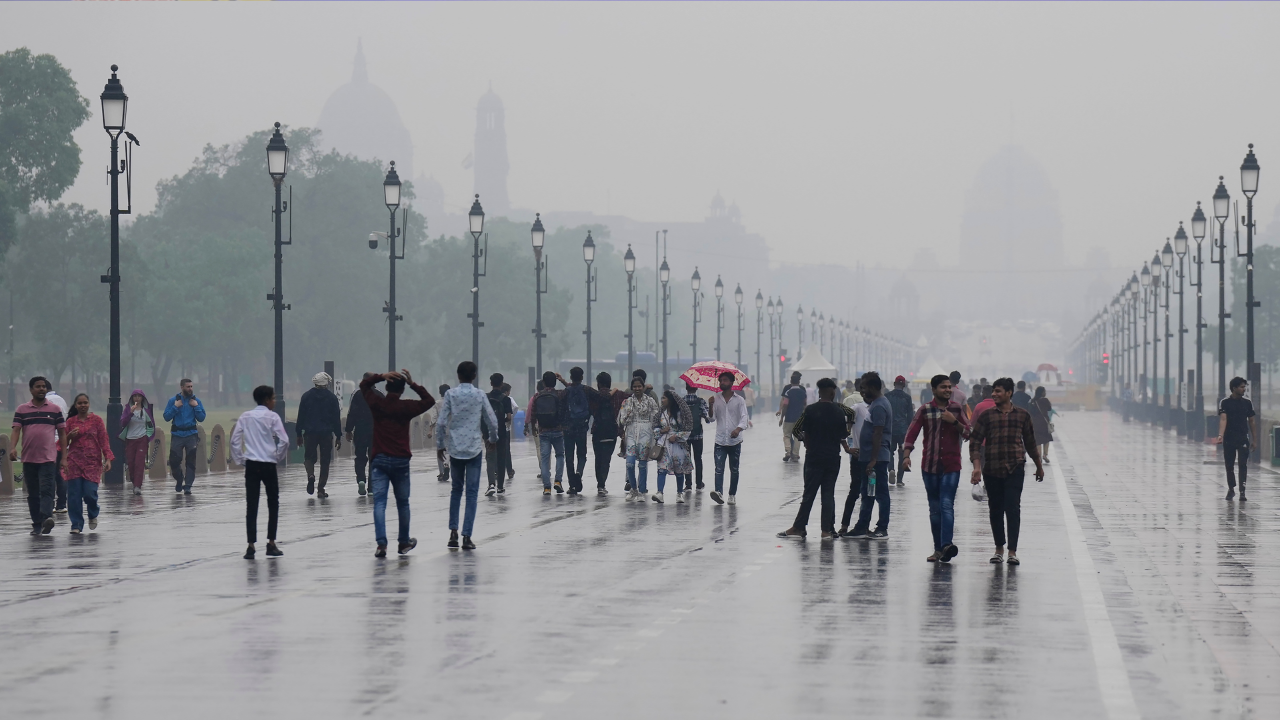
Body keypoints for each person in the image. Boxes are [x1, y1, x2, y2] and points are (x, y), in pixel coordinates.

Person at [969, 377, 1044, 566]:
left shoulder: (1022, 415)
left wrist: (1039, 465)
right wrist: (977, 467)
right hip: (991, 469)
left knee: (1012, 508)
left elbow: (1030, 442)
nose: (994, 394)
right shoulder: (986, 416)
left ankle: (1012, 551)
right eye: (993, 391)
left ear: (1009, 393)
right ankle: (998, 549)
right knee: (995, 509)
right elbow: (975, 442)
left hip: (1015, 467)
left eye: (998, 391)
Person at [362, 369, 435, 557]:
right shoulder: (406, 407)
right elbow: (429, 401)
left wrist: (380, 376)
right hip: (401, 460)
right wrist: (413, 384)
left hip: (379, 459)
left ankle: (381, 544)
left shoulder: (377, 404)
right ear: (402, 390)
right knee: (403, 503)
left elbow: (364, 385)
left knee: (379, 503)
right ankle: (403, 542)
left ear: (386, 387)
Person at [903, 374, 970, 562]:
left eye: (949, 387)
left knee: (946, 504)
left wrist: (954, 421)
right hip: (929, 466)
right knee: (934, 509)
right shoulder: (924, 410)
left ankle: (947, 545)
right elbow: (912, 433)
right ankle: (938, 549)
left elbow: (969, 432)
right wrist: (906, 456)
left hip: (951, 465)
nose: (948, 390)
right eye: (943, 387)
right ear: (933, 390)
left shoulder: (956, 409)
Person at [778, 378, 852, 541]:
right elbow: (843, 434)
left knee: (809, 494)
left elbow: (797, 430)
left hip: (813, 458)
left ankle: (799, 527)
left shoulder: (810, 410)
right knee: (828, 493)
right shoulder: (839, 411)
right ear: (832, 392)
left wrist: (806, 441)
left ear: (819, 392)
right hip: (832, 458)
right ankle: (826, 530)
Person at [436, 362, 498, 549]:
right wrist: (492, 439)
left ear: (458, 375)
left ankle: (453, 532)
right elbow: (491, 420)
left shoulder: (450, 395)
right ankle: (466, 536)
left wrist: (440, 446)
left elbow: (440, 423)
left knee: (456, 491)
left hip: (455, 449)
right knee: (471, 493)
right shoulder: (479, 395)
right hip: (473, 449)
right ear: (474, 376)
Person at [231, 385, 289, 560]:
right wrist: (276, 456)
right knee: (273, 503)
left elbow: (235, 441)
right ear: (267, 400)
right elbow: (284, 440)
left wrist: (241, 460)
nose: (274, 401)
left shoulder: (245, 416)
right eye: (273, 398)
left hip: (252, 463)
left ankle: (250, 545)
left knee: (252, 504)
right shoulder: (272, 417)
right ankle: (271, 543)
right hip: (268, 464)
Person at [13, 376, 68, 535]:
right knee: (33, 493)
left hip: (48, 458)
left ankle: (46, 518)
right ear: (31, 390)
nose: (41, 389)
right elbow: (16, 429)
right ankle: (37, 523)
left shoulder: (54, 410)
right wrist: (12, 448)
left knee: (47, 489)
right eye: (38, 386)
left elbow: (62, 433)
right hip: (29, 458)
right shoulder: (22, 410)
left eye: (43, 386)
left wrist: (64, 457)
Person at [845, 371, 892, 539]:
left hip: (876, 460)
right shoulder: (876, 404)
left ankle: (882, 528)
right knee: (868, 492)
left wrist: (873, 459)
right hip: (869, 459)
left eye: (864, 388)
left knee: (879, 493)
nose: (862, 392)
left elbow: (878, 433)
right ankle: (862, 526)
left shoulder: (879, 406)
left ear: (873, 387)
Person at [63, 394, 113, 535]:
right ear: (76, 405)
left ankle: (92, 513)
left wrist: (108, 458)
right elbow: (61, 443)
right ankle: (76, 524)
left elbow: (104, 440)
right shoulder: (71, 422)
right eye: (80, 403)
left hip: (92, 463)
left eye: (85, 403)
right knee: (74, 495)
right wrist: (69, 437)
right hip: (74, 463)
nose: (83, 405)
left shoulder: (96, 421)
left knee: (90, 493)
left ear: (89, 404)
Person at [295, 372, 342, 498]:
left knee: (309, 457)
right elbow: (336, 419)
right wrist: (338, 435)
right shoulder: (332, 398)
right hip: (326, 434)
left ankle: (310, 475)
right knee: (325, 460)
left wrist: (299, 433)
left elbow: (301, 417)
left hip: (310, 433)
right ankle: (321, 488)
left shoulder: (306, 397)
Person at [707, 370, 750, 505]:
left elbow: (744, 417)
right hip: (720, 440)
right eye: (721, 380)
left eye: (725, 380)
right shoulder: (716, 398)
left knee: (734, 469)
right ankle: (719, 492)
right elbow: (712, 418)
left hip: (734, 441)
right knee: (719, 469)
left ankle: (732, 494)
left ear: (731, 383)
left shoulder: (739, 400)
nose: (722, 382)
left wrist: (738, 429)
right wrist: (711, 405)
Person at [617, 375, 660, 502]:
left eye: (639, 386)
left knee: (642, 464)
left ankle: (642, 491)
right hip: (631, 432)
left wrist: (656, 434)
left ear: (643, 387)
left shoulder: (650, 401)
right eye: (635, 386)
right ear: (632, 388)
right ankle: (633, 489)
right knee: (629, 463)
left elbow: (656, 417)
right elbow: (622, 420)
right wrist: (628, 414)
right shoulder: (627, 402)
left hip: (646, 434)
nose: (637, 389)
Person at [838, 379, 871, 536]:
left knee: (869, 492)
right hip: (859, 456)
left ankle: (863, 525)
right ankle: (845, 525)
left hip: (872, 459)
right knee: (855, 491)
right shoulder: (858, 407)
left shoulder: (878, 408)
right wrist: (846, 445)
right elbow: (841, 419)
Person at [586, 372, 627, 495]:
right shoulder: (618, 395)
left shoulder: (593, 396)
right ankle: (602, 484)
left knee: (598, 459)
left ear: (598, 384)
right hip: (611, 432)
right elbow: (632, 395)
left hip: (598, 431)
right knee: (606, 460)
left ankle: (600, 484)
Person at [163, 379, 206, 495]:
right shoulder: (173, 401)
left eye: (191, 386)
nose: (190, 389)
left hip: (191, 434)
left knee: (191, 462)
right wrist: (175, 407)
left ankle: (188, 485)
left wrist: (196, 407)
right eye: (188, 386)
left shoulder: (196, 401)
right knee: (174, 461)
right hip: (177, 435)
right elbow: (166, 417)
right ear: (181, 387)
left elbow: (202, 417)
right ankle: (179, 479)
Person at [1217, 377, 1257, 501]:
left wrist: (1255, 439)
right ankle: (1231, 488)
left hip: (1243, 437)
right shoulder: (1225, 402)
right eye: (1241, 387)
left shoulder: (1247, 402)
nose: (1243, 389)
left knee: (1243, 464)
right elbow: (1223, 419)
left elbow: (1252, 421)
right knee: (1229, 465)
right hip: (1229, 437)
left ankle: (1242, 491)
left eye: (1244, 387)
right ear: (1234, 388)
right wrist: (1221, 435)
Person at [529, 371, 568, 495]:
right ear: (555, 382)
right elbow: (571, 389)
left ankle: (547, 487)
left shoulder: (537, 396)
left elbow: (533, 414)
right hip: (558, 430)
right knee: (560, 455)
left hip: (543, 431)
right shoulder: (559, 394)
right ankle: (558, 481)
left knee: (545, 459)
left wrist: (533, 427)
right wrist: (563, 380)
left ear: (544, 382)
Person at [653, 389, 694, 503]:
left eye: (664, 398)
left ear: (670, 400)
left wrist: (676, 436)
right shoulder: (661, 414)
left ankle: (679, 493)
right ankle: (660, 493)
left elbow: (686, 429)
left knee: (679, 470)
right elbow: (655, 427)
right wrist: (661, 431)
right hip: (663, 445)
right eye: (662, 398)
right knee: (661, 468)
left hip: (677, 446)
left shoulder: (680, 414)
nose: (662, 400)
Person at [559, 367, 593, 496]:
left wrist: (562, 424)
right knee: (581, 454)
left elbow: (560, 408)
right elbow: (601, 396)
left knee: (569, 456)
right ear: (582, 377)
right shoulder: (586, 390)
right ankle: (579, 472)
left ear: (571, 377)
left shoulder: (565, 392)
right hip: (582, 427)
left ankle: (572, 484)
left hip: (568, 428)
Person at [345, 373, 380, 496]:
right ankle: (371, 487)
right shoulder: (379, 395)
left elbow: (352, 413)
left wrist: (348, 430)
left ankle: (361, 479)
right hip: (376, 432)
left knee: (360, 457)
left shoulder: (357, 395)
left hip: (360, 432)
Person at [120, 389, 155, 495]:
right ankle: (134, 482)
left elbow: (151, 425)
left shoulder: (146, 411)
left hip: (142, 439)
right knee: (131, 463)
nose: (137, 398)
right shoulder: (128, 409)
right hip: (130, 439)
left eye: (139, 396)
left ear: (142, 398)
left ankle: (137, 486)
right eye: (135, 396)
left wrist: (147, 437)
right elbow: (123, 423)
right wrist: (130, 413)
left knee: (139, 463)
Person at [483, 373, 513, 496]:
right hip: (501, 432)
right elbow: (509, 417)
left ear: (491, 383)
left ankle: (491, 484)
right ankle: (500, 486)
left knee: (490, 458)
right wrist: (502, 422)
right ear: (502, 384)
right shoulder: (506, 399)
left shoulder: (485, 397)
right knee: (501, 458)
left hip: (489, 433)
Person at [45, 383, 70, 513]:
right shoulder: (61, 400)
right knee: (61, 474)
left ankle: (49, 504)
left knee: (49, 474)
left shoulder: (46, 402)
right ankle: (61, 504)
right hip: (62, 441)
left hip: (50, 442)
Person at [885, 375, 914, 485]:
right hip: (903, 430)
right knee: (902, 453)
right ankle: (900, 480)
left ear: (894, 384)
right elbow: (910, 416)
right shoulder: (907, 397)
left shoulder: (887, 396)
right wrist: (909, 430)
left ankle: (891, 469)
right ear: (904, 385)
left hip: (890, 429)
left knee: (889, 451)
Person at [684, 383, 710, 489]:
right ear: (696, 388)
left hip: (684, 436)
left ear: (686, 388)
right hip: (698, 435)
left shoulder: (681, 401)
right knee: (698, 458)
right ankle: (699, 483)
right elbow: (708, 418)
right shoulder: (701, 401)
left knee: (686, 459)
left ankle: (688, 484)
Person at [777, 371, 807, 462]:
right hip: (799, 417)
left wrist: (782, 417)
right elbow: (805, 405)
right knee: (797, 436)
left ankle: (788, 451)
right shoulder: (803, 391)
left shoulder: (788, 392)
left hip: (789, 417)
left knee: (787, 435)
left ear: (791, 380)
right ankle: (795, 454)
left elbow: (785, 404)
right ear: (799, 381)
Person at [431, 383, 451, 482]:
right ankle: (447, 464)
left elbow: (434, 418)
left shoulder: (437, 403)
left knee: (440, 451)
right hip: (451, 430)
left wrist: (430, 429)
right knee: (448, 451)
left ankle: (442, 472)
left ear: (440, 392)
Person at [1030, 386, 1054, 464]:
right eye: (1044, 391)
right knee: (1046, 438)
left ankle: (1039, 456)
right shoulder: (1045, 400)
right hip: (1044, 422)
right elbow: (1049, 408)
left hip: (1035, 423)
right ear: (1042, 392)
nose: (1045, 393)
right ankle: (1045, 455)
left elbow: (1030, 411)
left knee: (1037, 440)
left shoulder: (1033, 401)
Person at [501, 383, 517, 480]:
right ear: (507, 391)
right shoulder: (508, 399)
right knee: (506, 450)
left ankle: (496, 470)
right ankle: (509, 470)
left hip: (495, 427)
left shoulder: (493, 398)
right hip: (506, 427)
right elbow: (515, 407)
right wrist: (510, 417)